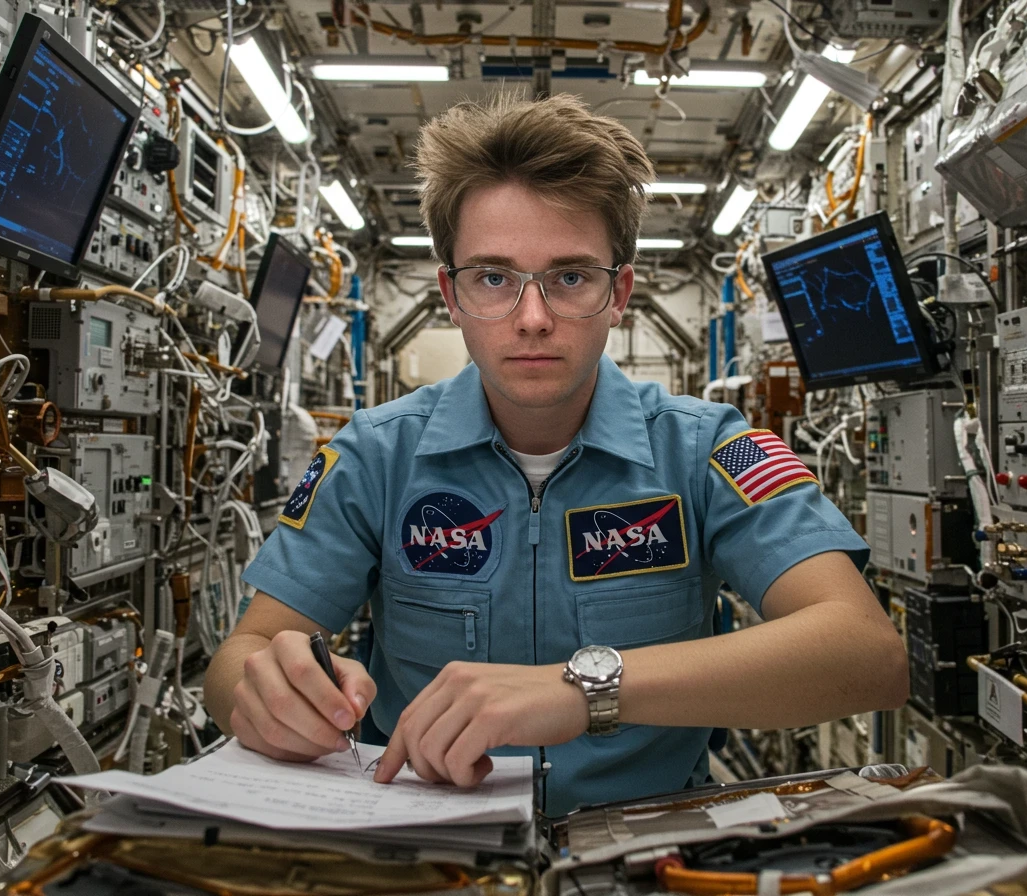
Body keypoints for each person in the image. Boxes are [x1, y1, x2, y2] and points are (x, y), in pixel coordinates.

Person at [204, 91, 908, 817]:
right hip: (426, 843)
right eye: (494, 278)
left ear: (619, 292)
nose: (533, 318)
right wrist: (268, 691)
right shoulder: (375, 457)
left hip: (652, 843)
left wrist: (585, 689)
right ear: (451, 294)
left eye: (570, 277)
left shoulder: (705, 450)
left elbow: (867, 653)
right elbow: (239, 658)